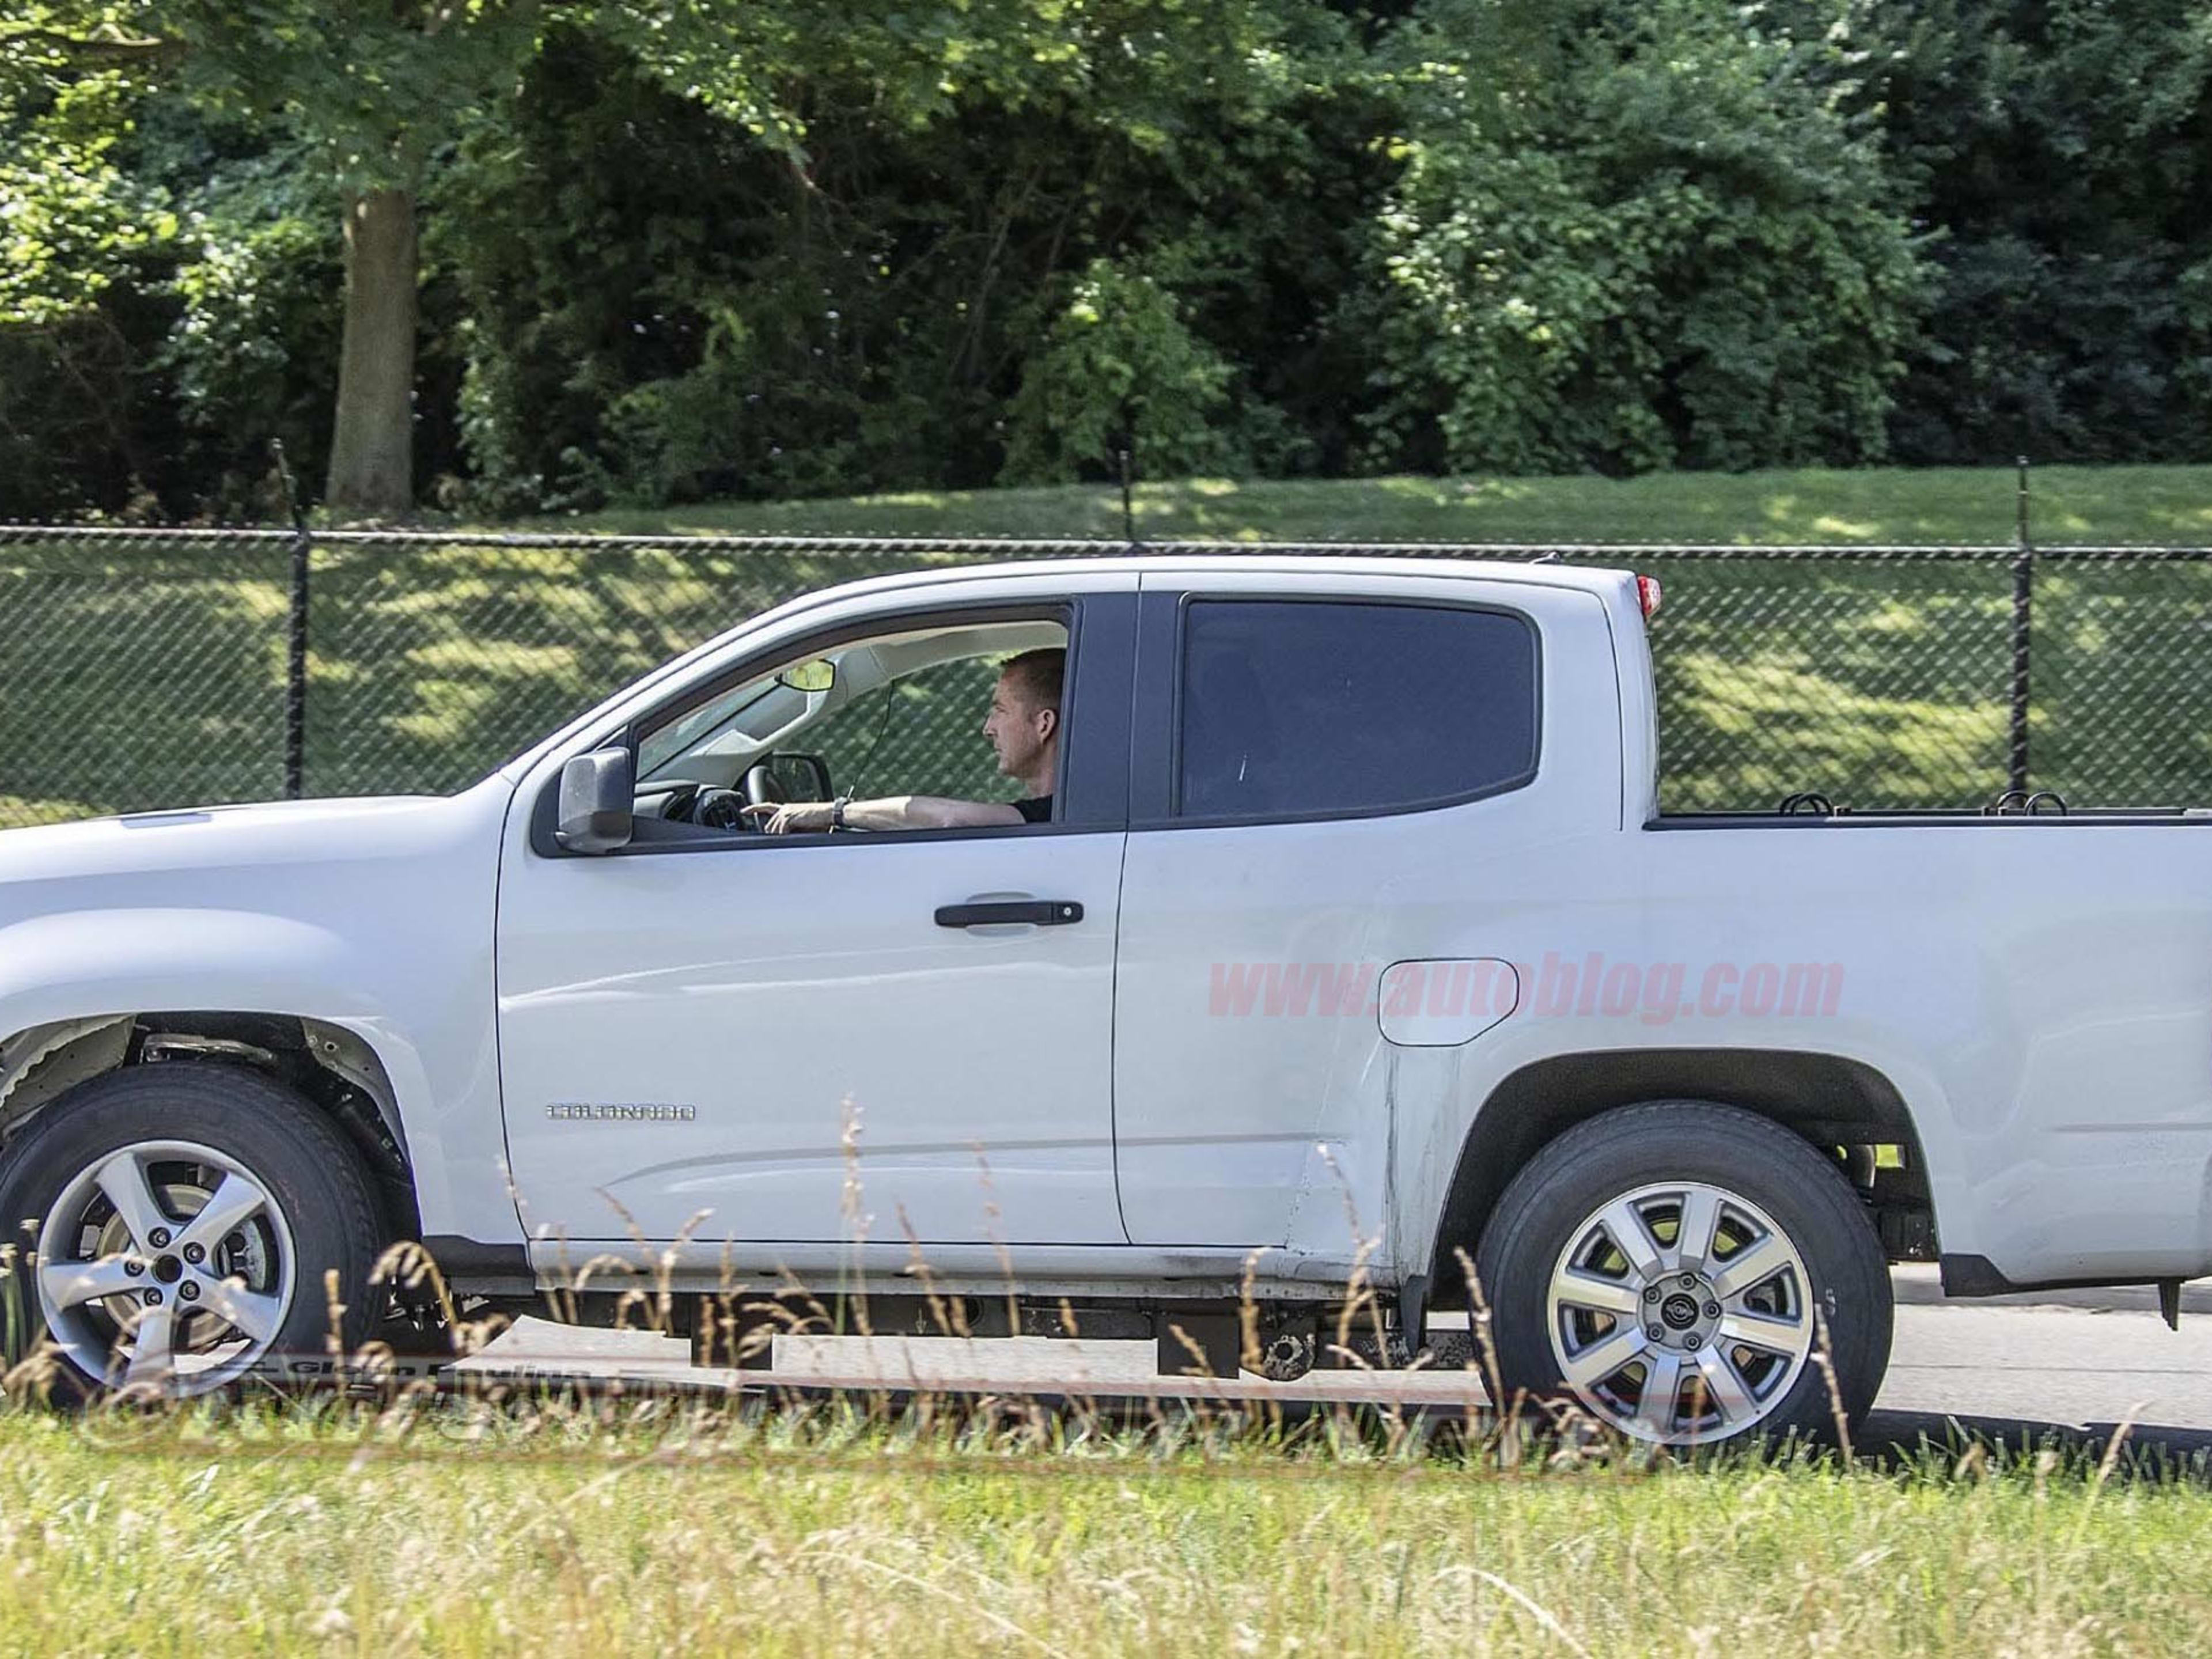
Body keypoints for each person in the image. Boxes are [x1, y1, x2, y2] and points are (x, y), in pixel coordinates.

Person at [743, 647, 1063, 833]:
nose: (988, 728)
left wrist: (832, 813)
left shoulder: (1057, 816)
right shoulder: (1069, 813)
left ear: (1044, 724)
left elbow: (949, 820)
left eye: (1000, 711)